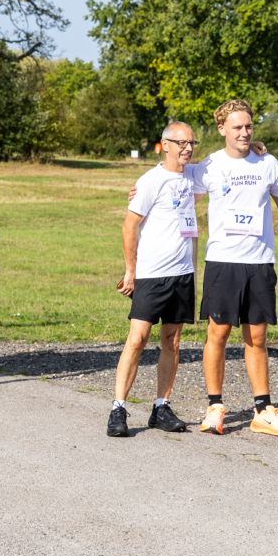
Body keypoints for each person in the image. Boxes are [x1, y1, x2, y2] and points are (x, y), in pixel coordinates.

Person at [192, 99, 278, 437]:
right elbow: (179, 188)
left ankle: (262, 410)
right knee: (218, 333)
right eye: (237, 127)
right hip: (223, 262)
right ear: (221, 129)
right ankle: (214, 407)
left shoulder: (267, 162)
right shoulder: (209, 166)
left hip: (259, 262)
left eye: (248, 127)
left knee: (257, 336)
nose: (244, 133)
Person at [109, 122, 203, 437]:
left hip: (182, 274)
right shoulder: (150, 180)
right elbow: (128, 226)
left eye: (192, 143)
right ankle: (118, 409)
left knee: (172, 340)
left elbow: (229, 158)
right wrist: (130, 270)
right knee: (138, 338)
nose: (188, 148)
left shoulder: (193, 176)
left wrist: (255, 145)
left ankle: (161, 406)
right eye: (181, 143)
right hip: (151, 273)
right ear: (164, 144)